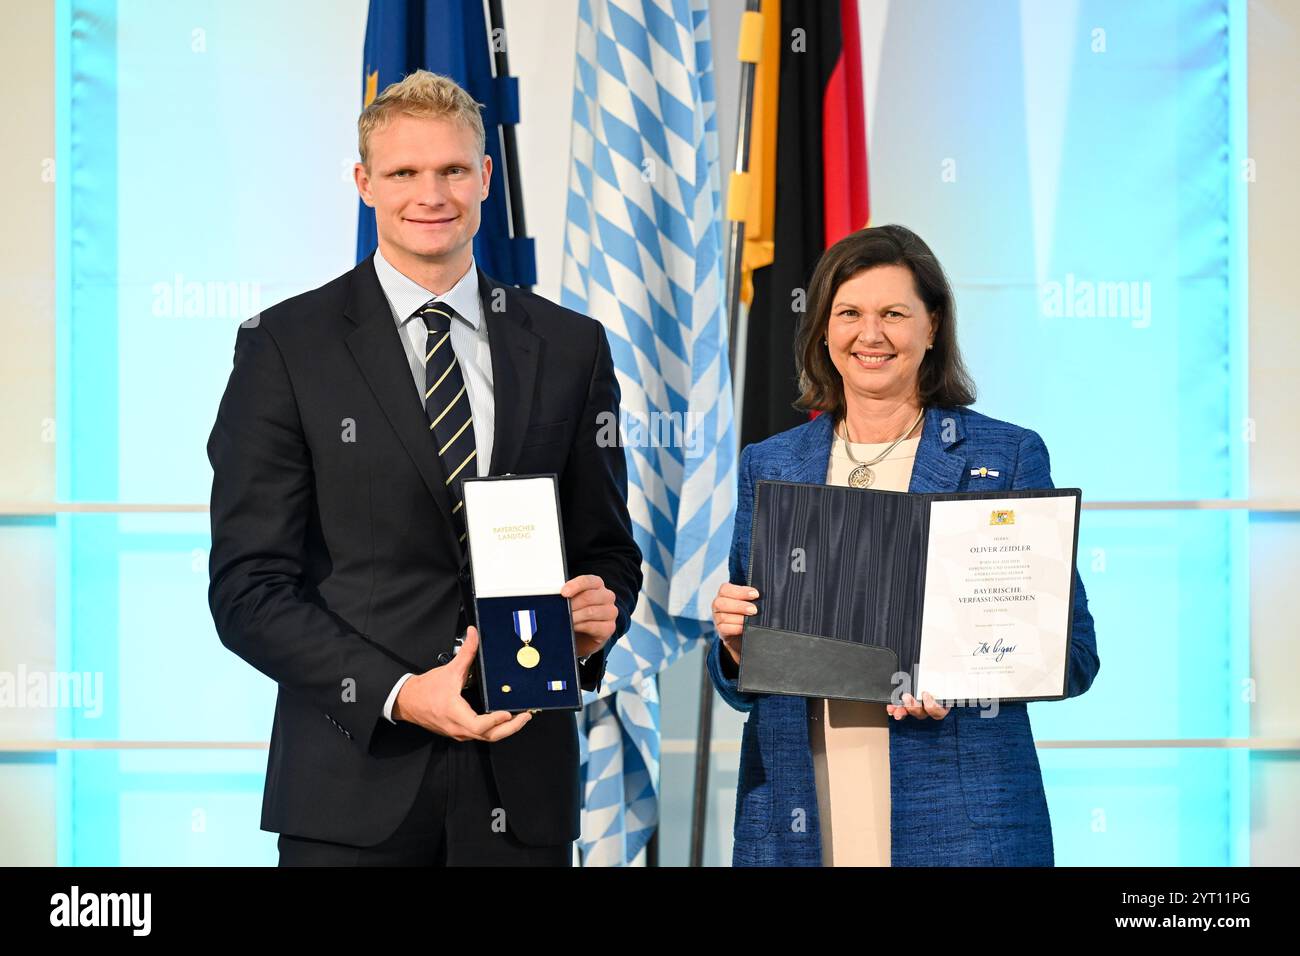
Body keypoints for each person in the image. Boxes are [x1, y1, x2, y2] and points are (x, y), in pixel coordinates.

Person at [207, 70, 641, 866]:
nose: (430, 193)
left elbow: (608, 550)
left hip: (521, 786)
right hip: (350, 789)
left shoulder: (572, 347)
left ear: (484, 177)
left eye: (451, 170)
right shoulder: (285, 349)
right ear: (365, 182)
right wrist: (404, 695)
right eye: (404, 172)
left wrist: (592, 619)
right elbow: (248, 590)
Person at [708, 224, 1099, 867]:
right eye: (849, 314)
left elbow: (1074, 654)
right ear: (823, 330)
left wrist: (962, 676)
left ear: (932, 326)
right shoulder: (770, 464)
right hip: (800, 816)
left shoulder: (1005, 456)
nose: (871, 335)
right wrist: (734, 649)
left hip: (959, 821)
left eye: (894, 313)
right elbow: (744, 679)